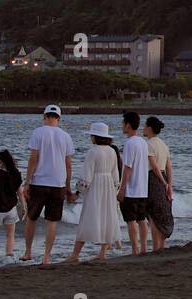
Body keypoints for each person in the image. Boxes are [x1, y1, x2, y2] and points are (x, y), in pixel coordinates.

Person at [21, 105, 75, 264]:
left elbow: (33, 159)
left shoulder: (38, 132)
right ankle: (46, 257)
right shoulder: (66, 136)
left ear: (44, 116)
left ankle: (28, 252)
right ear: (58, 118)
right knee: (52, 221)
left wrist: (27, 182)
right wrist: (68, 186)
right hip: (58, 183)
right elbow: (68, 164)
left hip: (39, 182)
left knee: (31, 218)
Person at [67, 123, 122, 262]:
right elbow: (116, 175)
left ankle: (75, 254)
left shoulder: (93, 152)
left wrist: (78, 192)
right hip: (108, 186)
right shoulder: (112, 151)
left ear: (95, 137)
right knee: (107, 217)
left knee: (87, 217)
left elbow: (86, 176)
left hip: (96, 187)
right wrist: (114, 189)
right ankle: (103, 252)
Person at [117, 112, 151, 255]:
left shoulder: (130, 143)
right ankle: (143, 248)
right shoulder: (143, 142)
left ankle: (135, 249)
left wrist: (122, 188)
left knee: (131, 220)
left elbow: (128, 168)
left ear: (128, 125)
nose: (121, 126)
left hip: (132, 189)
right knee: (142, 219)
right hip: (143, 188)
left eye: (123, 123)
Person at [143, 116, 174, 251]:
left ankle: (156, 247)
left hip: (154, 179)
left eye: (144, 126)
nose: (143, 128)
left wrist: (163, 183)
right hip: (164, 177)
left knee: (153, 215)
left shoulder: (149, 144)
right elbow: (169, 167)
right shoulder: (163, 144)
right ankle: (161, 246)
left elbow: (154, 167)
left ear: (149, 128)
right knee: (161, 213)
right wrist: (169, 184)